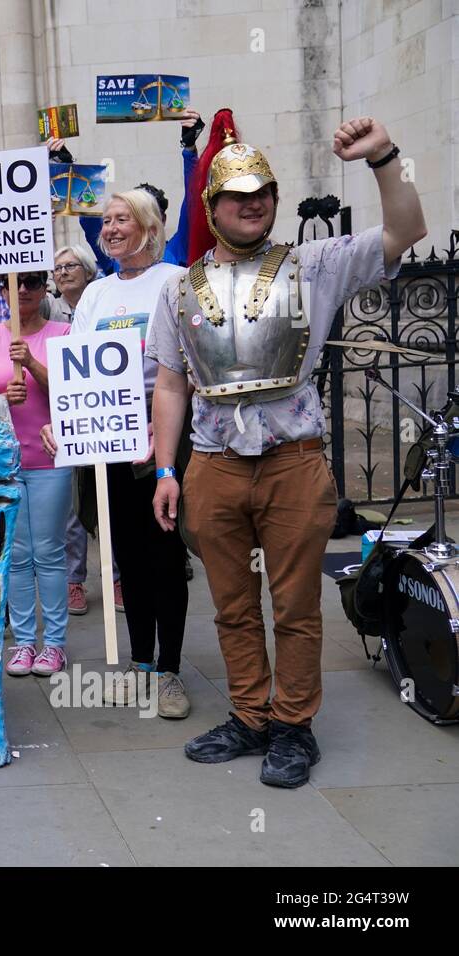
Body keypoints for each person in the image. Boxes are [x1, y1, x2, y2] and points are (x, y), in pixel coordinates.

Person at [148, 113, 426, 787]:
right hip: (212, 466)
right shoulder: (179, 288)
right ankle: (250, 715)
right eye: (238, 194)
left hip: (292, 464)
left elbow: (405, 231)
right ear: (212, 207)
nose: (254, 203)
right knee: (232, 604)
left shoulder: (315, 265)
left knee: (296, 605)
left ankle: (293, 726)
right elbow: (169, 381)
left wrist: (384, 157)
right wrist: (164, 468)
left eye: (263, 191)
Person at [42, 188, 191, 720]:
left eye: (121, 219)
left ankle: (170, 670)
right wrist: (62, 424)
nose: (109, 228)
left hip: (161, 437)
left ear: (149, 229)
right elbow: (74, 370)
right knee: (126, 553)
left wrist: (159, 428)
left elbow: (188, 365)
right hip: (109, 438)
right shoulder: (97, 295)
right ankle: (140, 664)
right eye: (105, 221)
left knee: (164, 553)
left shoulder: (174, 282)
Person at [0, 271, 71, 676]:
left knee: (48, 552)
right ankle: (25, 643)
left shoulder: (62, 333)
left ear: (45, 288)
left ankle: (56, 644)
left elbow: (73, 391)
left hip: (51, 458)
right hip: (3, 461)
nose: (24, 290)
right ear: (4, 291)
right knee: (15, 556)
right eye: (16, 283)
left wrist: (30, 363)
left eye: (32, 282)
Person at [49, 243, 121, 616]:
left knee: (111, 502)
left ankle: (117, 578)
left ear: (89, 270)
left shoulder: (108, 298)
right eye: (56, 268)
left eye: (69, 265)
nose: (61, 273)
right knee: (75, 508)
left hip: (107, 413)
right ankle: (74, 581)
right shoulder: (51, 308)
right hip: (72, 418)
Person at [50, 108, 204, 273]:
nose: (114, 228)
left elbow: (193, 201)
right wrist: (69, 169)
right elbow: (89, 216)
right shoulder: (114, 256)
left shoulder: (177, 249)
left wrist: (189, 150)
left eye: (147, 215)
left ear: (161, 220)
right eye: (131, 216)